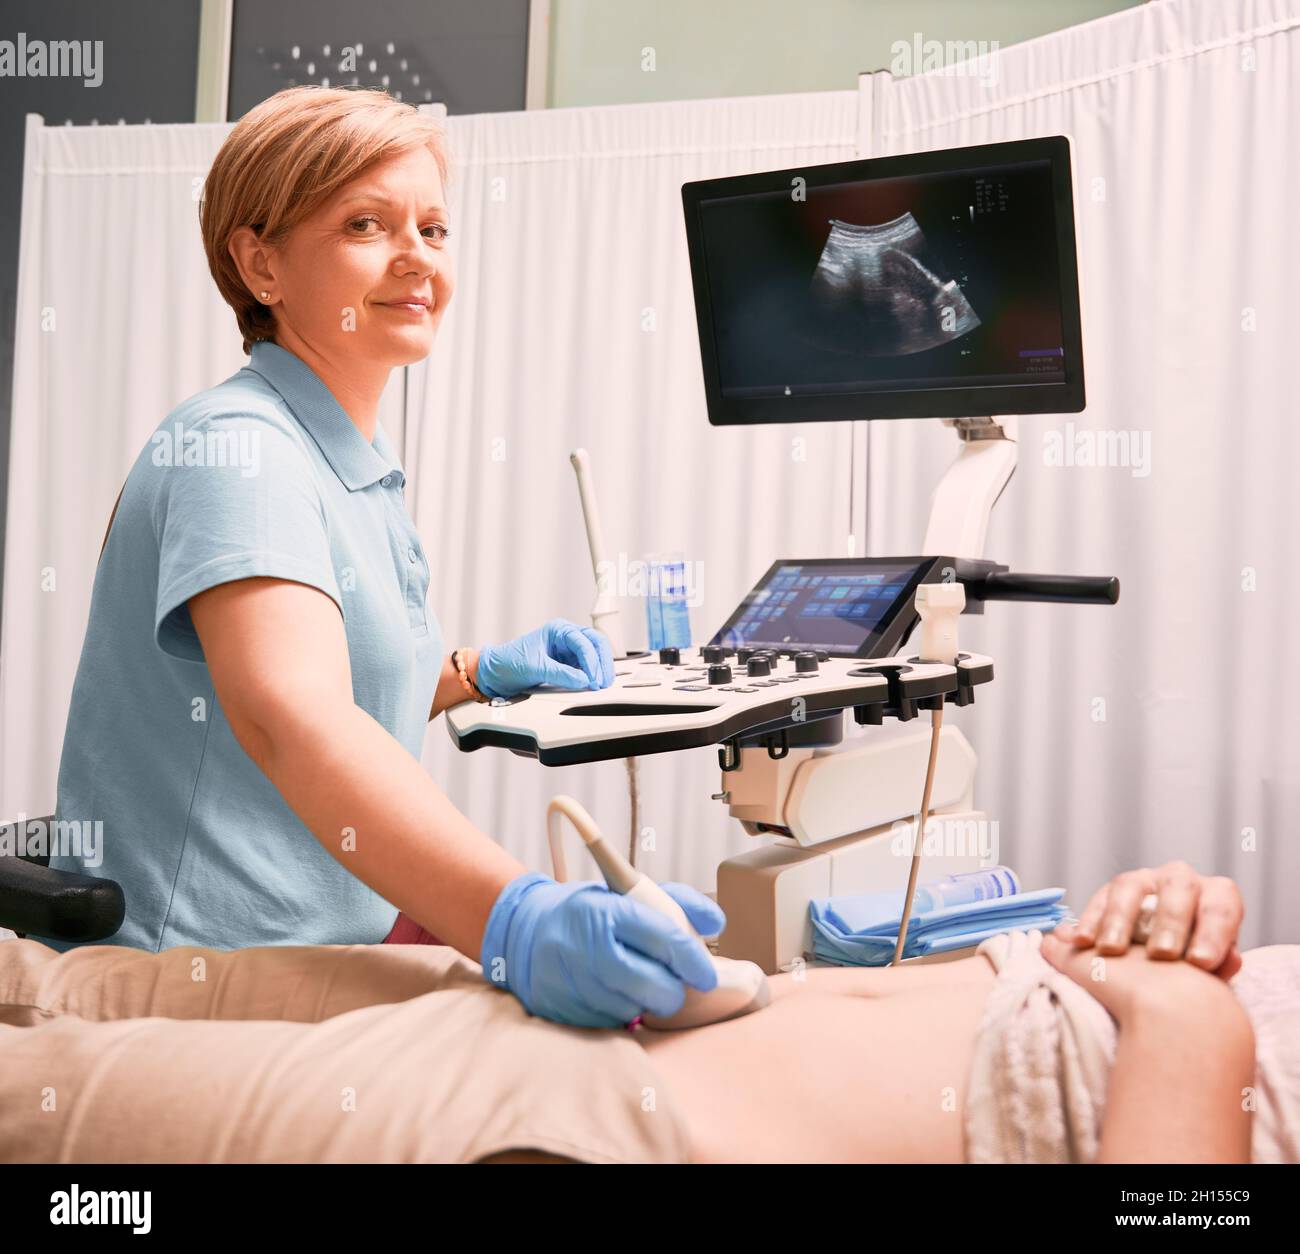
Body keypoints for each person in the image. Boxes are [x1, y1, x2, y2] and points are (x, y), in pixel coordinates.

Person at [36, 84, 722, 1033]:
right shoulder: (242, 451)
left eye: (434, 229)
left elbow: (325, 666)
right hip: (193, 983)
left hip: (326, 943)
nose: (417, 260)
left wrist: (471, 673)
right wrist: (513, 914)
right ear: (260, 262)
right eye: (366, 224)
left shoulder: (339, 458)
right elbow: (292, 715)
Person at [3, 862, 1293, 1164]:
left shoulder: (1197, 1030)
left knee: (42, 1101)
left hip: (581, 1125)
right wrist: (1169, 906)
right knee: (58, 984)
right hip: (634, 1022)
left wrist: (1190, 1021)